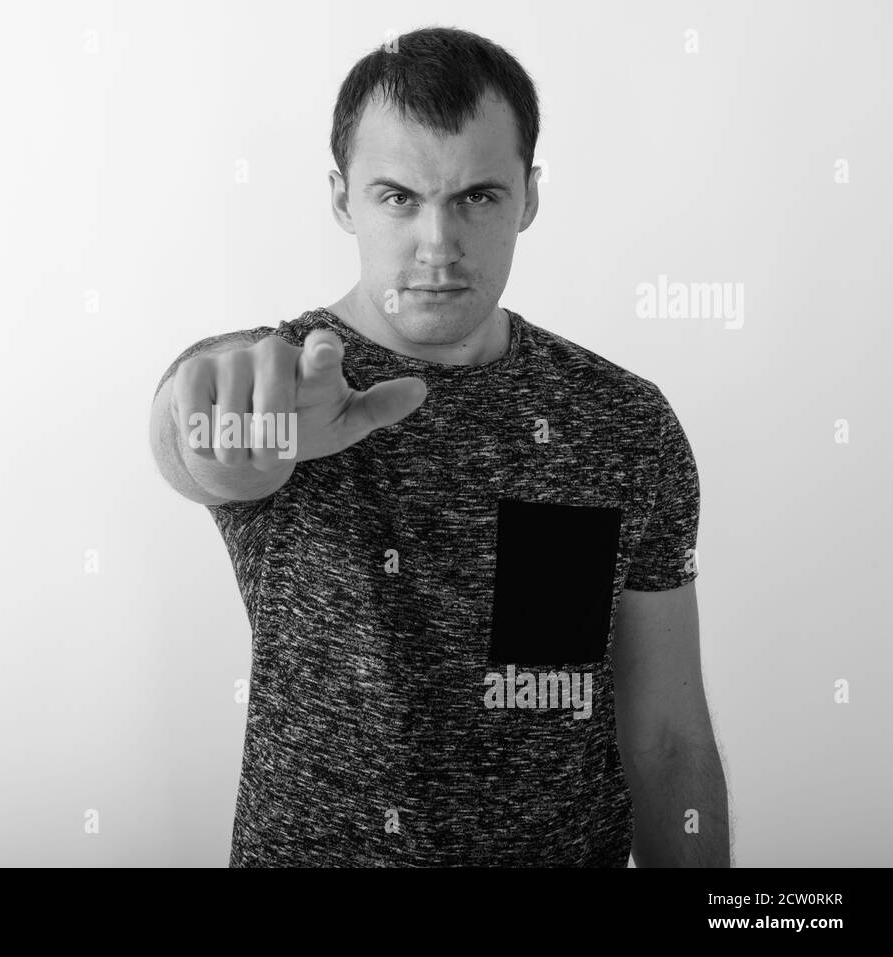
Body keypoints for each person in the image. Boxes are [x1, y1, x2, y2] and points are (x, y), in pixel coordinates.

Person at [148, 26, 729, 867]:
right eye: (398, 197)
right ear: (342, 198)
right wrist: (228, 440)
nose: (436, 244)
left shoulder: (618, 420)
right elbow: (184, 427)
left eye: (477, 197)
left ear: (529, 196)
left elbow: (669, 739)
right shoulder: (281, 380)